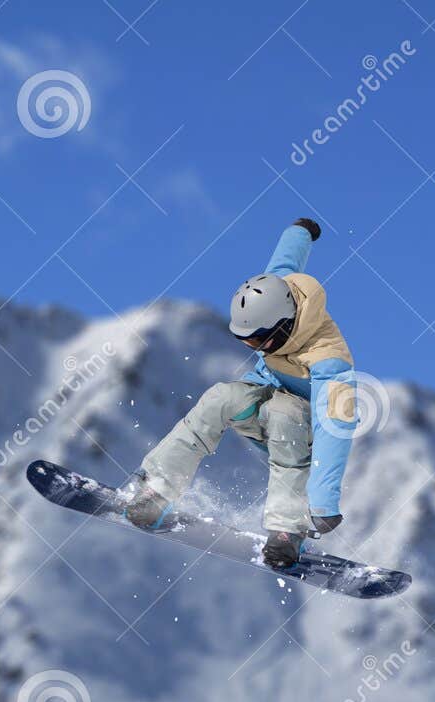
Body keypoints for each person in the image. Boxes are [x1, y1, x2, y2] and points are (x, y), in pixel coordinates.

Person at [123, 217, 359, 569]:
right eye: (242, 339)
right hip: (263, 398)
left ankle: (286, 533)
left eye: (255, 339)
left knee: (286, 414)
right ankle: (157, 489)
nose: (251, 346)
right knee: (221, 397)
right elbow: (285, 260)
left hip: (301, 434)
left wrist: (323, 502)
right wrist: (300, 232)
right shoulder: (278, 290)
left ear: (283, 327)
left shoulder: (330, 363)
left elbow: (335, 429)